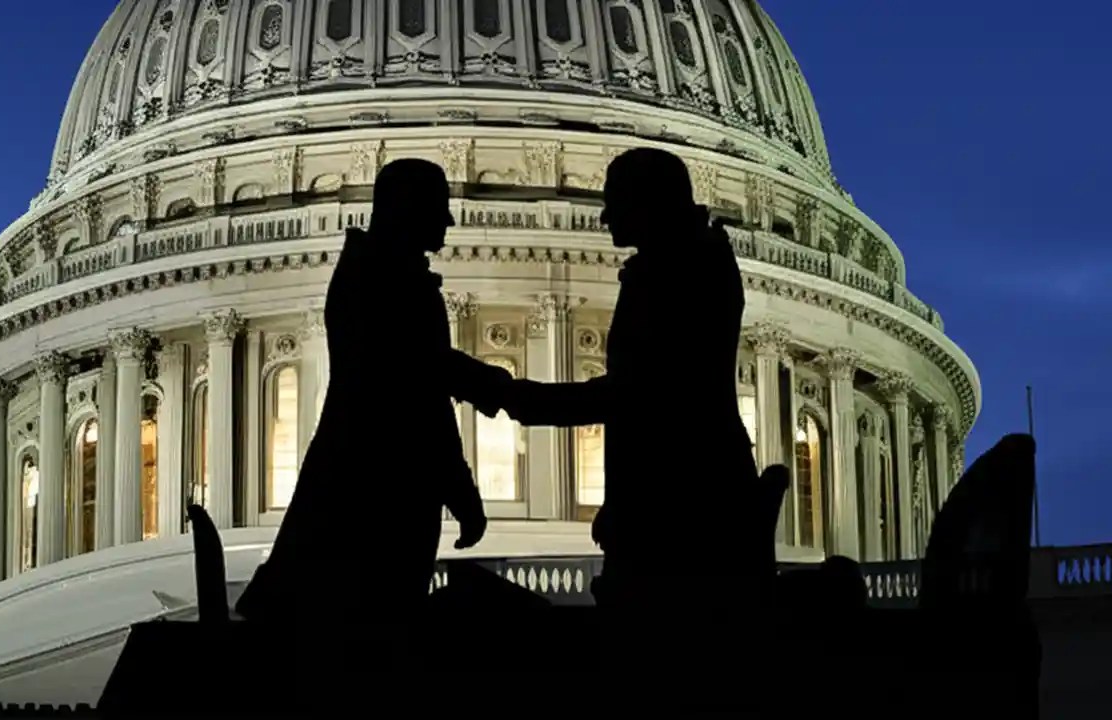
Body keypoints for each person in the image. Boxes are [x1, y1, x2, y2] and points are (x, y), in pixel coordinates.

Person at [234, 159, 512, 627]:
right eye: (438, 208)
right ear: (408, 208)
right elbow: (419, 386)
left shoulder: (376, 273)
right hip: (377, 486)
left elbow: (424, 385)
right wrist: (506, 396)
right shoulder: (384, 281)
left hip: (371, 479)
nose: (448, 220)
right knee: (368, 628)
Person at [500, 148, 769, 612]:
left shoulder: (682, 272)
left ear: (649, 203)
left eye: (615, 201)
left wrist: (514, 396)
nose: (604, 216)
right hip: (680, 498)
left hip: (683, 510)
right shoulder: (688, 262)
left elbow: (642, 395)